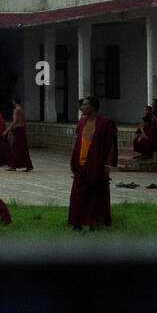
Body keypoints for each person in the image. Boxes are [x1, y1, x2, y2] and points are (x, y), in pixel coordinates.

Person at [68, 95, 115, 231]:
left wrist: (107, 164)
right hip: (81, 164)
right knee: (77, 195)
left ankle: (94, 222)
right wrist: (73, 159)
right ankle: (77, 223)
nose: (81, 107)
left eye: (84, 105)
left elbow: (110, 144)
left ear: (92, 107)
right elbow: (78, 141)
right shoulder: (82, 122)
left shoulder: (105, 123)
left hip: (97, 164)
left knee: (96, 195)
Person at [7, 96, 32, 171]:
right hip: (21, 129)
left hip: (18, 129)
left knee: (15, 148)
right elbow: (24, 121)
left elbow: (15, 121)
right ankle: (27, 165)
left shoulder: (16, 110)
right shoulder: (21, 109)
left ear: (14, 101)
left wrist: (7, 130)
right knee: (22, 148)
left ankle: (14, 165)